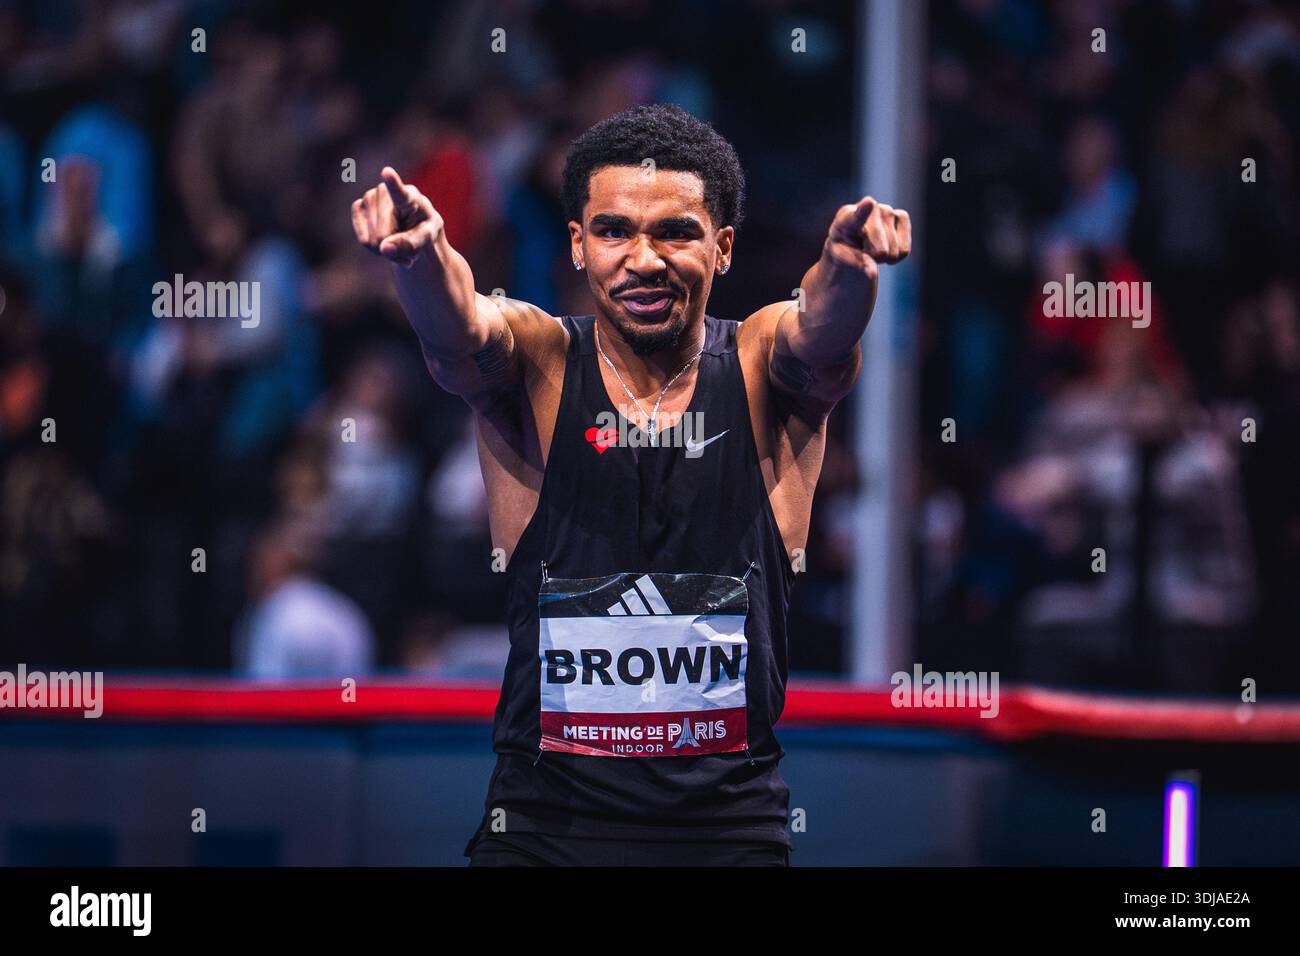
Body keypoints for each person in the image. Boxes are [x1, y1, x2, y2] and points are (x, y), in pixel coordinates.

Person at [351, 104, 910, 866]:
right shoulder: (541, 364)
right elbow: (462, 332)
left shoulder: (756, 366)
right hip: (543, 837)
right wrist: (421, 257)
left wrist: (848, 267)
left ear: (723, 248)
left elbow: (819, 330)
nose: (643, 259)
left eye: (675, 232)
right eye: (614, 231)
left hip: (728, 839)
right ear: (578, 246)